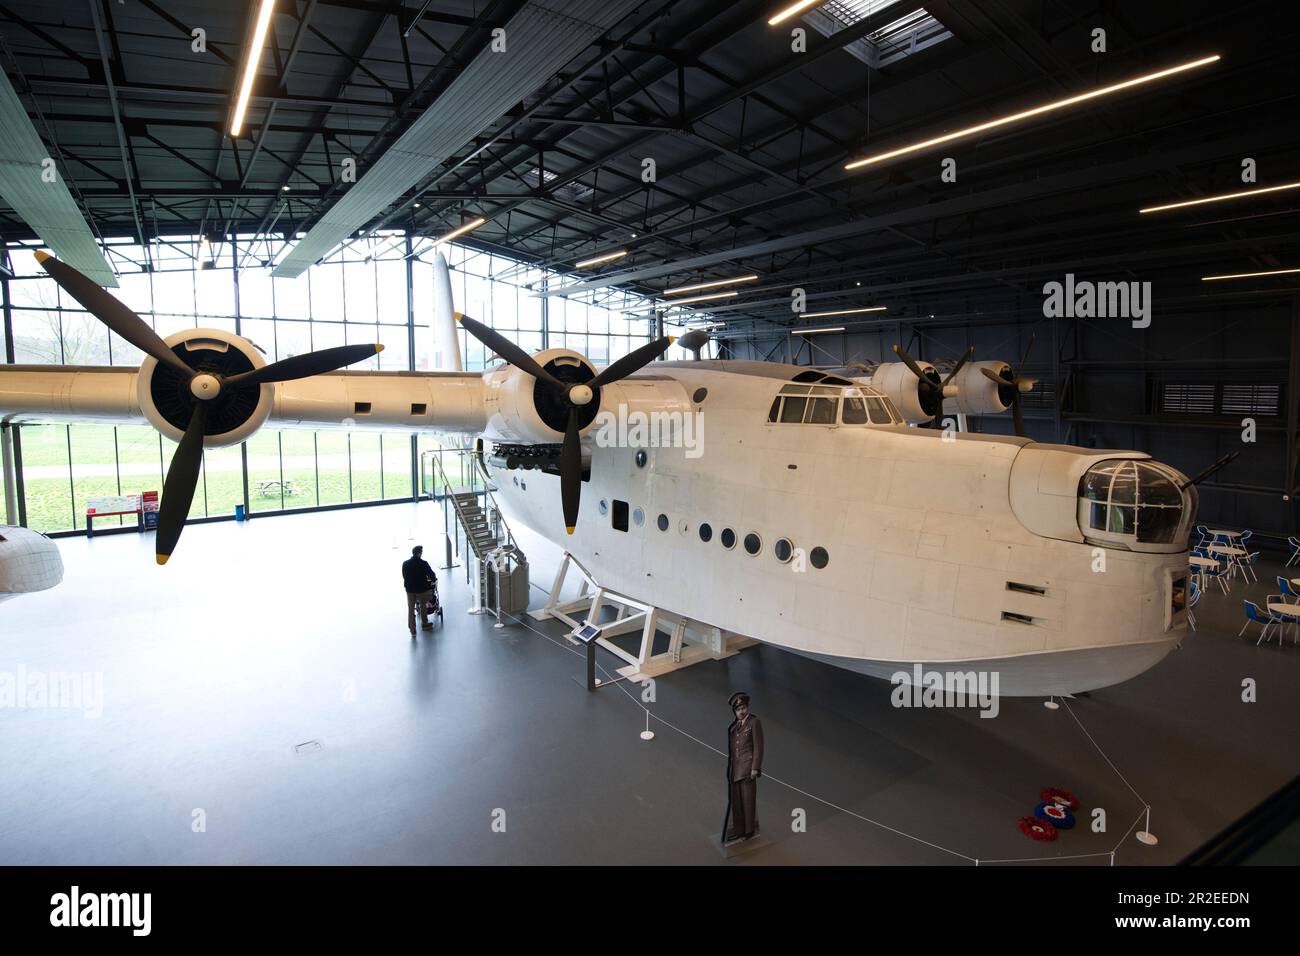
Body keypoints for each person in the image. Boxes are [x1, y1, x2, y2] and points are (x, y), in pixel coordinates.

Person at [721, 691, 764, 845]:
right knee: (737, 802)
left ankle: (749, 831)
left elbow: (758, 746)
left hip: (747, 769)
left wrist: (755, 768)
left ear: (747, 708)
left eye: (744, 708)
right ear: (735, 711)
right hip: (735, 770)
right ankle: (739, 830)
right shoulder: (734, 727)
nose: (741, 711)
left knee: (748, 801)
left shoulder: (754, 722)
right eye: (738, 709)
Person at [402, 545, 438, 636]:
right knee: (423, 606)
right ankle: (425, 625)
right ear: (419, 553)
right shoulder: (423, 563)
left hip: (410, 590)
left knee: (411, 608)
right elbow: (431, 575)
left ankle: (412, 630)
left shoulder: (405, 563)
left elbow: (404, 576)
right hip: (422, 589)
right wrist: (434, 580)